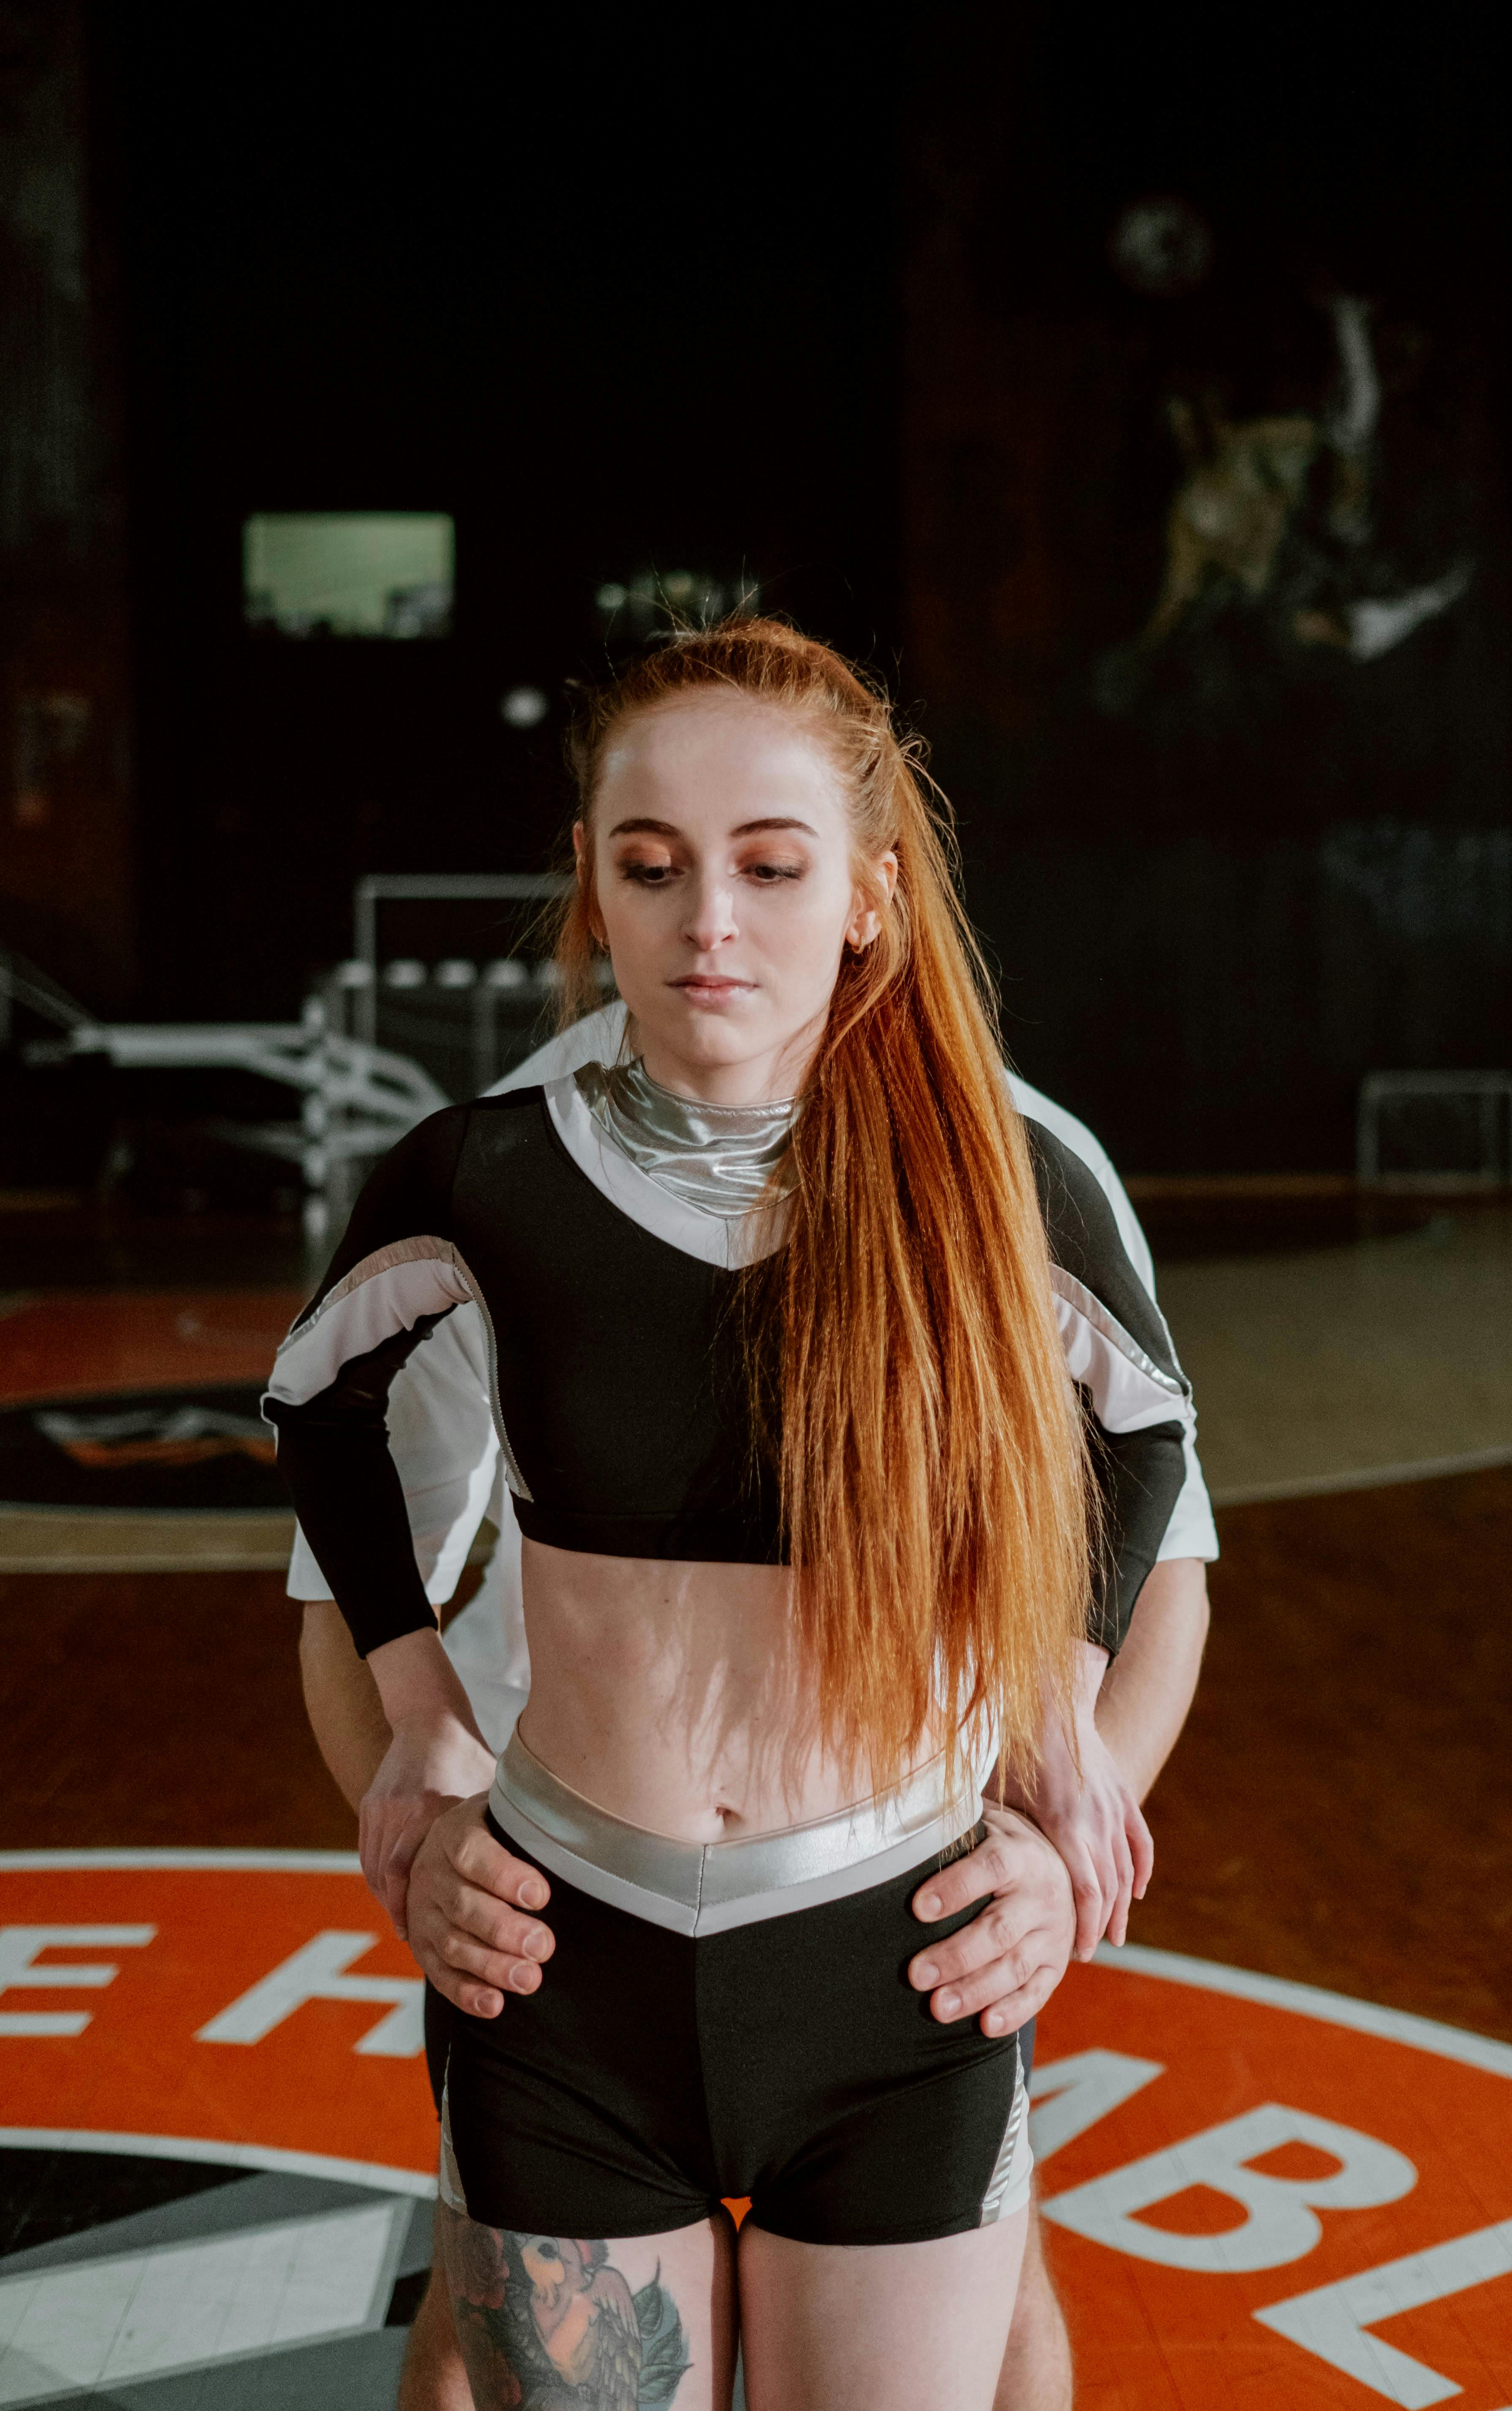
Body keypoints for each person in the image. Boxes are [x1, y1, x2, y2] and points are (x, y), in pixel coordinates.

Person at [271, 619, 1210, 2411]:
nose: (710, 918)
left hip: (896, 1953)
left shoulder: (1005, 1178)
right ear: (590, 888)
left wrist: (1071, 1755)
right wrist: (414, 1741)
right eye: (652, 865)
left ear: (865, 893)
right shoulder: (486, 1175)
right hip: (564, 1947)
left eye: (770, 867)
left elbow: (1149, 1471)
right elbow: (319, 1425)